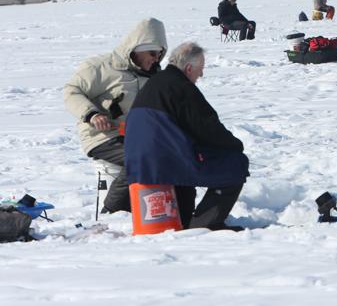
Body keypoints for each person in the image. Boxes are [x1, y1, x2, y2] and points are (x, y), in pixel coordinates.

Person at [124, 42, 249, 231]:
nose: (201, 75)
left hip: (137, 161)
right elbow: (207, 128)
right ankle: (205, 225)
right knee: (235, 165)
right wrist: (235, 146)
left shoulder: (156, 83)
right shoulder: (181, 87)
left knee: (186, 167)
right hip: (163, 161)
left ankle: (183, 219)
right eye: (200, 70)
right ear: (189, 68)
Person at [63, 18, 168, 214]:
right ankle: (111, 212)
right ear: (137, 48)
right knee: (142, 158)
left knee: (169, 155)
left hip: (135, 137)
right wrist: (92, 115)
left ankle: (167, 214)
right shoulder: (101, 67)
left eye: (160, 54)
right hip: (103, 137)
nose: (156, 59)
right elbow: (72, 91)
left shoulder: (155, 77)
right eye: (152, 53)